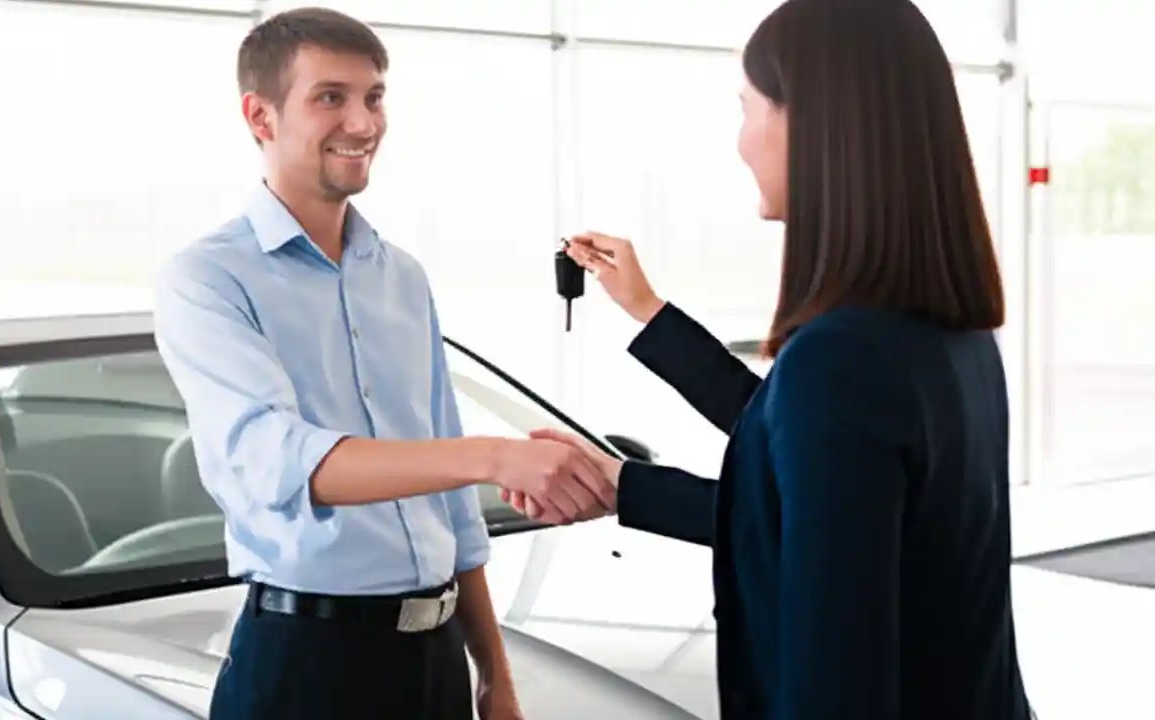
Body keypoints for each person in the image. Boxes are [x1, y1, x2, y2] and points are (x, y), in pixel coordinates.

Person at [507, 0, 1035, 718]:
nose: (742, 141)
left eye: (748, 108)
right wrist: (647, 330)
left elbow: (833, 680)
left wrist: (623, 484)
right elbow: (803, 472)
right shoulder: (946, 336)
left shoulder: (840, 359)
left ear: (816, 124)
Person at [153, 8, 613, 719]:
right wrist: (491, 456)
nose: (363, 123)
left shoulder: (401, 277)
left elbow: (454, 513)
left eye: (374, 96)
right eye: (330, 97)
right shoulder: (207, 280)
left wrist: (493, 673)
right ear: (261, 116)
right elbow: (278, 462)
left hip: (434, 663)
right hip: (306, 666)